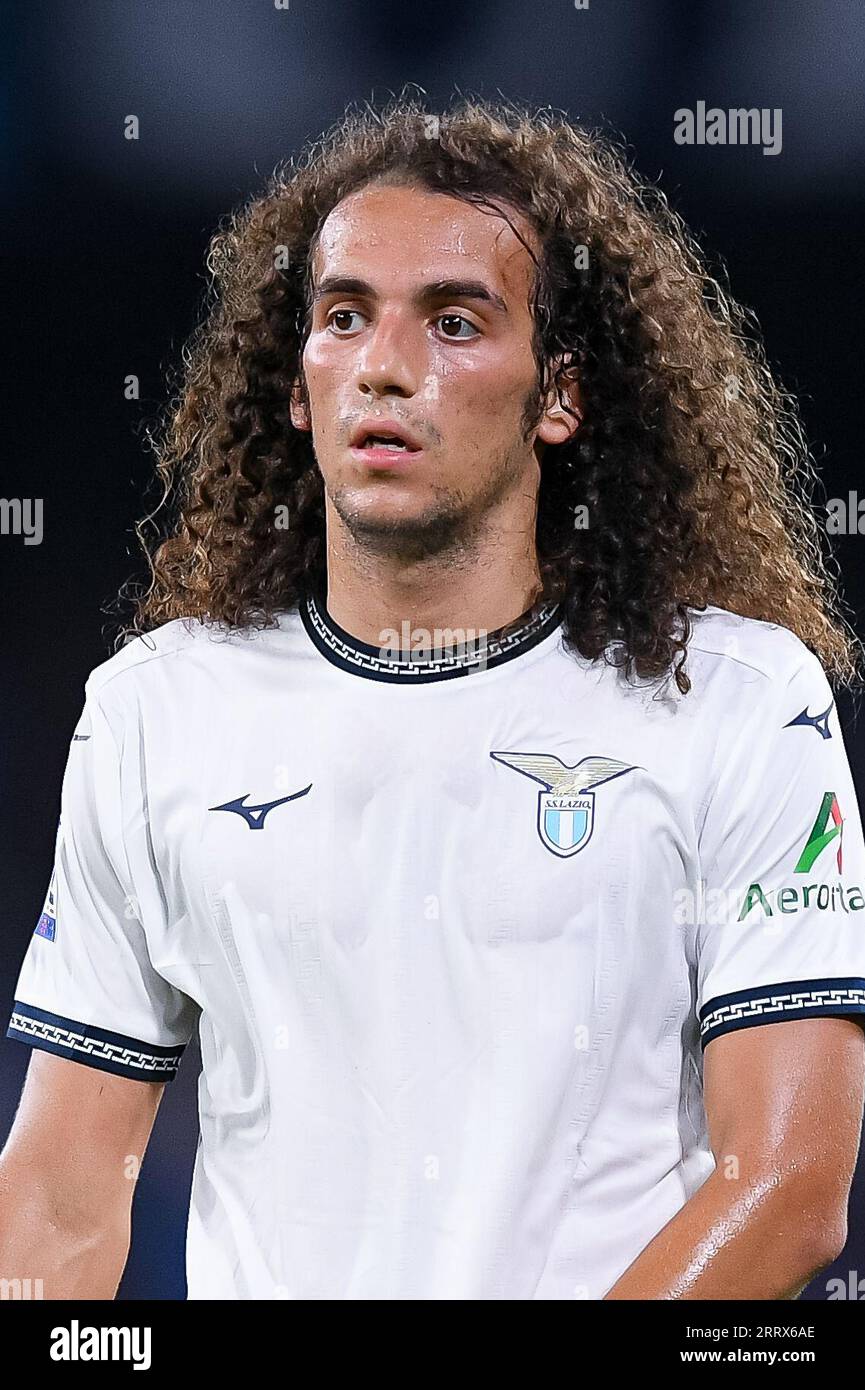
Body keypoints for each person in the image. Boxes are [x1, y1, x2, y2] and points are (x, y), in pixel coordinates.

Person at [2, 95, 864, 1301]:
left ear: (558, 392)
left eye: (454, 322)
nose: (386, 367)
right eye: (343, 317)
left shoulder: (734, 701)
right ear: (299, 386)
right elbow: (59, 1197)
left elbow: (786, 1184)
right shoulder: (159, 712)